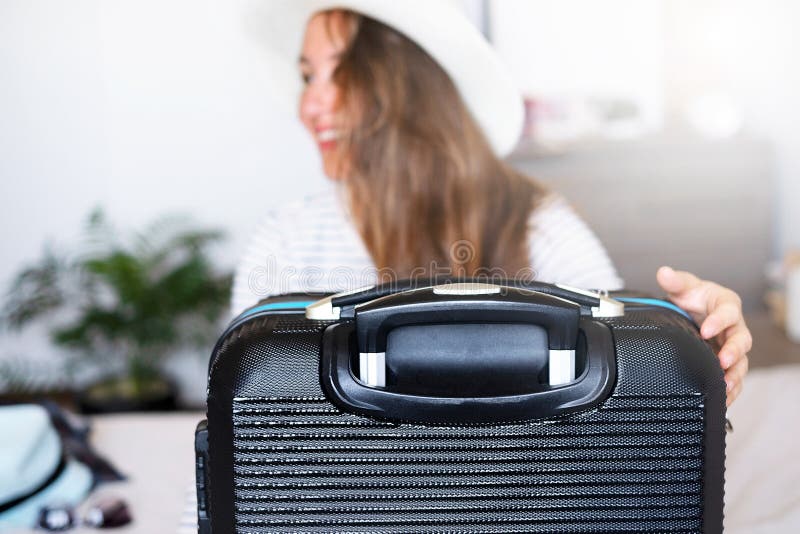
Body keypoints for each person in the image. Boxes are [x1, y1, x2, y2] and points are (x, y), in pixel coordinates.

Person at [233, 1, 750, 406]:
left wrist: (699, 342)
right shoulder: (285, 239)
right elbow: (237, 433)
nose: (309, 104)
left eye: (339, 72)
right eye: (307, 76)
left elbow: (626, 372)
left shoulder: (534, 221)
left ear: (410, 83)